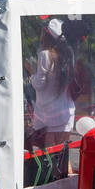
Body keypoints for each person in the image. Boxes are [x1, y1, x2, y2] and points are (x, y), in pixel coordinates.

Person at [30, 19, 75, 150]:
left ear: (46, 35)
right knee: (63, 157)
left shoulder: (44, 54)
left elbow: (40, 84)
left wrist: (31, 71)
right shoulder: (68, 53)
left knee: (50, 158)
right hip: (66, 112)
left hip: (48, 115)